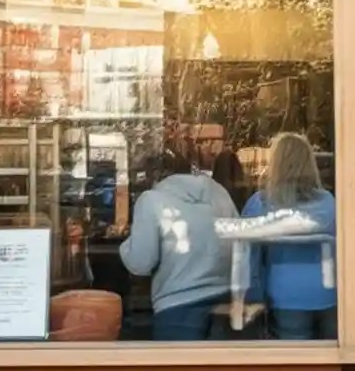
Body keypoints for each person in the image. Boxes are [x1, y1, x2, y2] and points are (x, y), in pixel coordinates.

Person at [119, 138, 238, 341]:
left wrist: (124, 247)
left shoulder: (151, 200)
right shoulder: (219, 193)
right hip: (225, 299)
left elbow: (140, 263)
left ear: (153, 175)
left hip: (177, 302)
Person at [241, 133, 338, 340]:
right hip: (329, 293)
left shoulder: (261, 203)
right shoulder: (329, 202)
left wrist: (252, 299)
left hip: (285, 295)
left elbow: (247, 259)